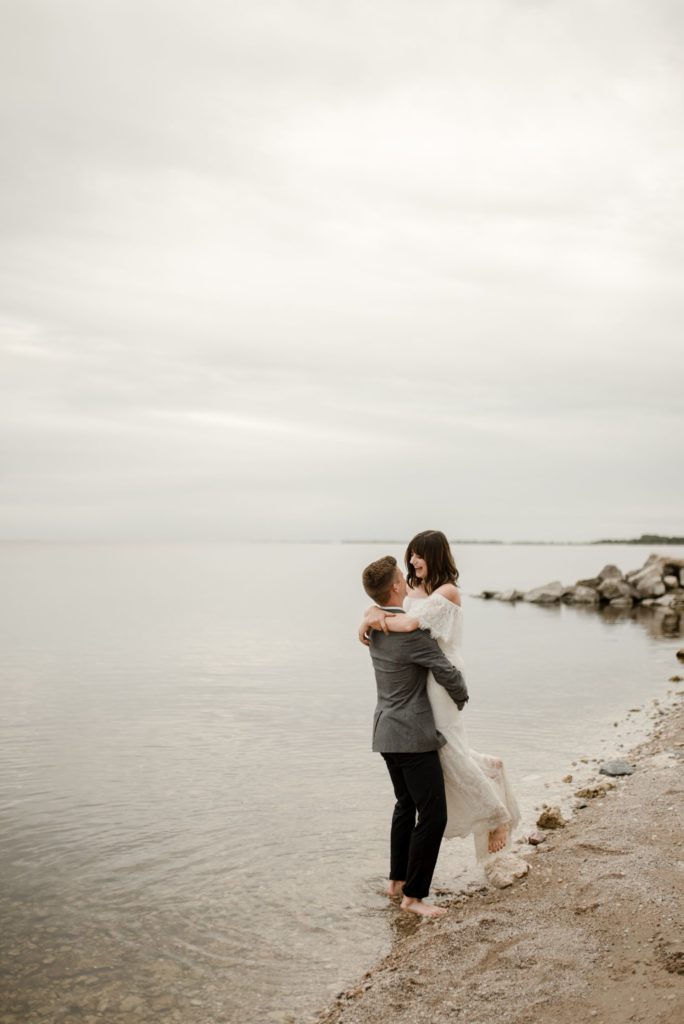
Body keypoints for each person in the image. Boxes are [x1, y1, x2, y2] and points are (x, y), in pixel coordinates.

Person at [360, 530, 528, 889]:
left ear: (435, 556)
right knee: (449, 750)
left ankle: (495, 814)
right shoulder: (415, 592)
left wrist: (374, 620)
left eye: (419, 555)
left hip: (442, 675)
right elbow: (393, 606)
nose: (413, 561)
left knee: (446, 747)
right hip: (426, 676)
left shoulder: (447, 592)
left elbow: (406, 623)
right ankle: (492, 780)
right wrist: (370, 612)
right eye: (411, 555)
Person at [362, 554, 469, 917]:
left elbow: (378, 613)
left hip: (384, 732)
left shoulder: (375, 626)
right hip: (411, 736)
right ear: (395, 586)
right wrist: (461, 699)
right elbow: (446, 671)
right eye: (401, 577)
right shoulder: (411, 634)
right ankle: (413, 897)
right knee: (433, 815)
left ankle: (395, 882)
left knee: (405, 805)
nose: (407, 580)